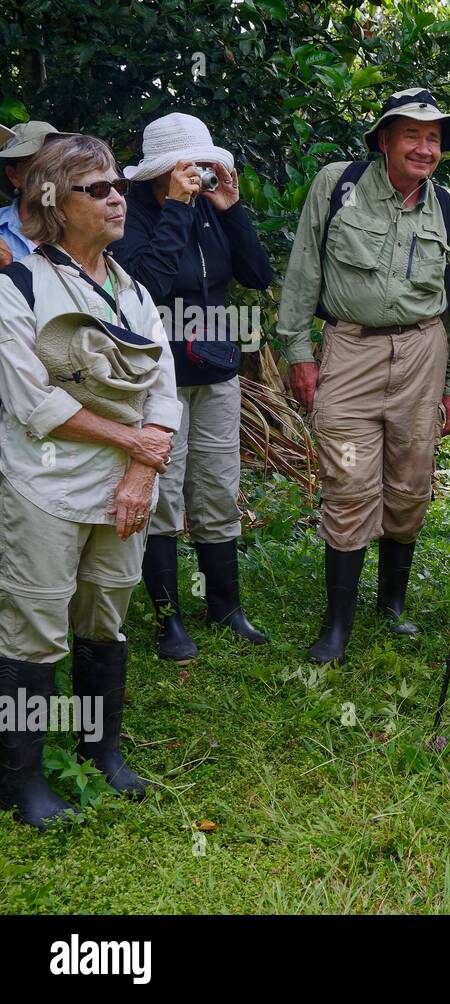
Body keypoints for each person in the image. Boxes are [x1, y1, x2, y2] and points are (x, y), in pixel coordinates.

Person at [0, 135, 182, 828]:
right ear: (52, 201)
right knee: (33, 632)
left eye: (117, 186)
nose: (115, 197)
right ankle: (21, 781)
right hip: (44, 488)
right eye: (96, 188)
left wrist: (142, 463)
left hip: (125, 489)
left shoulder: (130, 287)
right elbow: (34, 404)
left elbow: (161, 385)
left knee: (105, 620)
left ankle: (99, 752)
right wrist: (133, 441)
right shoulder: (18, 287)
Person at [276, 88, 450, 663]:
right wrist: (296, 350)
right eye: (411, 134)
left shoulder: (448, 209)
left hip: (423, 355)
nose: (424, 147)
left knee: (410, 486)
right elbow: (305, 263)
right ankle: (337, 623)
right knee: (349, 482)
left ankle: (391, 604)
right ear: (384, 139)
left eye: (434, 138)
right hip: (350, 351)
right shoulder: (339, 185)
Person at [111, 112, 274, 662]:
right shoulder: (132, 215)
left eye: (205, 165)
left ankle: (225, 606)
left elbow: (257, 274)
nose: (201, 175)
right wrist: (177, 209)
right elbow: (148, 284)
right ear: (162, 170)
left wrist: (230, 210)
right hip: (158, 376)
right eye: (190, 167)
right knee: (163, 490)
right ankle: (168, 619)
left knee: (218, 484)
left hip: (216, 368)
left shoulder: (211, 208)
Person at [0, 121, 73, 268]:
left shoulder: (84, 224)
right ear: (13, 176)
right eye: (40, 162)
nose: (54, 170)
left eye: (60, 160)